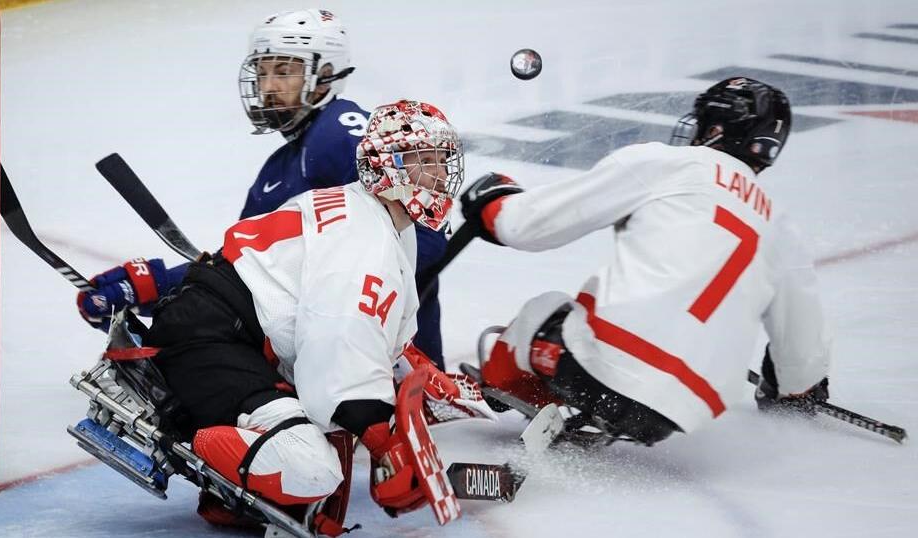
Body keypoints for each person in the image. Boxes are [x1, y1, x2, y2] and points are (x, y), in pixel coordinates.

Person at [116, 100, 477, 535]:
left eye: (441, 161)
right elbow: (337, 349)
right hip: (210, 338)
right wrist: (382, 441)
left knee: (319, 442)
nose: (439, 175)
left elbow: (359, 330)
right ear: (389, 167)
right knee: (311, 468)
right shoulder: (365, 239)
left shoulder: (375, 217)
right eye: (425, 162)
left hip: (225, 328)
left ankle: (242, 481)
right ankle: (189, 438)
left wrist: (412, 365)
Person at [460, 77, 832, 445]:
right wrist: (795, 388)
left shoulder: (665, 163)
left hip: (593, 372)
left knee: (542, 311)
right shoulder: (780, 225)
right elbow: (803, 343)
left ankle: (512, 399)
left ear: (716, 127)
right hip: (682, 411)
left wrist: (495, 203)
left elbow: (528, 226)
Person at [76, 9, 449, 368]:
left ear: (326, 75)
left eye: (284, 71)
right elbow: (241, 269)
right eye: (263, 71)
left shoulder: (338, 130)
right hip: (331, 360)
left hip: (381, 372)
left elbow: (427, 236)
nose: (268, 86)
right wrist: (156, 285)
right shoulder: (280, 168)